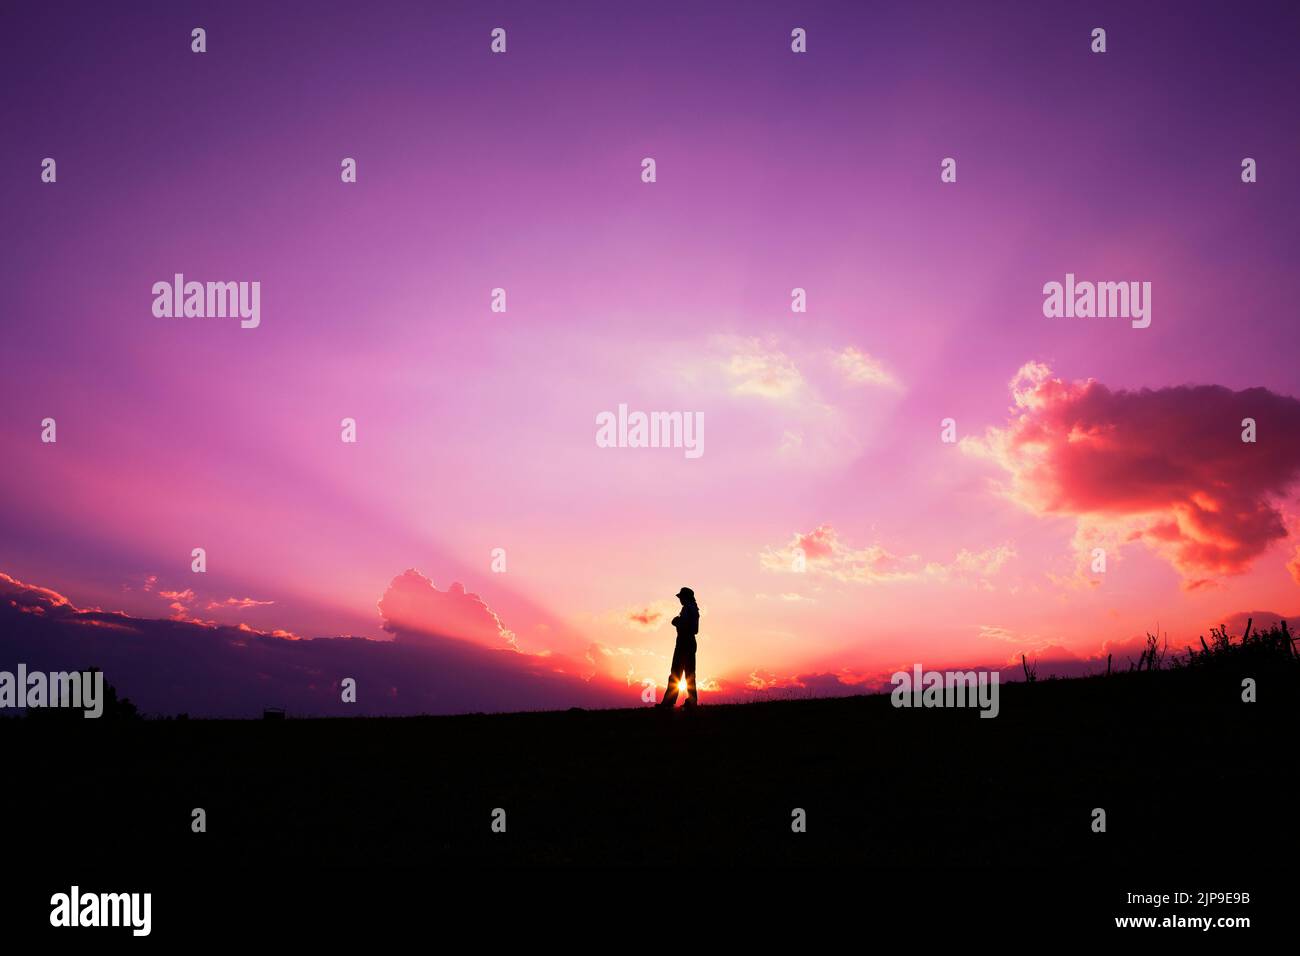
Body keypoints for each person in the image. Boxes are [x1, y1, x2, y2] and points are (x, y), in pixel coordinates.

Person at [657, 587, 699, 709]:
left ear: (685, 598)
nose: (680, 600)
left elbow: (691, 628)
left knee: (676, 672)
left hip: (684, 642)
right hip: (689, 642)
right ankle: (691, 702)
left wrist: (677, 622)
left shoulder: (688, 609)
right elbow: (695, 629)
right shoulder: (693, 609)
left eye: (681, 598)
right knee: (689, 674)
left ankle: (669, 702)